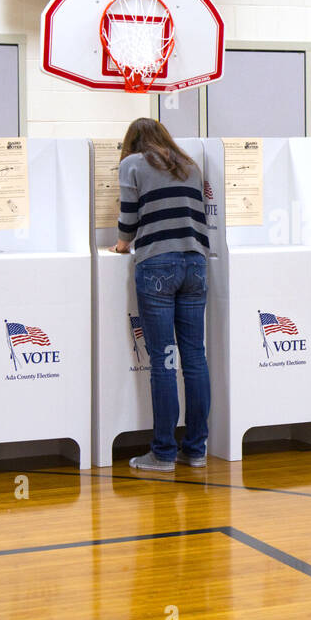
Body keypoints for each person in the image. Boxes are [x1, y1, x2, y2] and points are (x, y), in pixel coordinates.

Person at [111, 118, 210, 473]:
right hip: (196, 263)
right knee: (195, 359)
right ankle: (196, 449)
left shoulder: (132, 164)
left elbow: (128, 216)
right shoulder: (190, 165)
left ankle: (164, 453)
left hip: (157, 265)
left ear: (132, 142)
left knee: (165, 360)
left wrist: (123, 244)